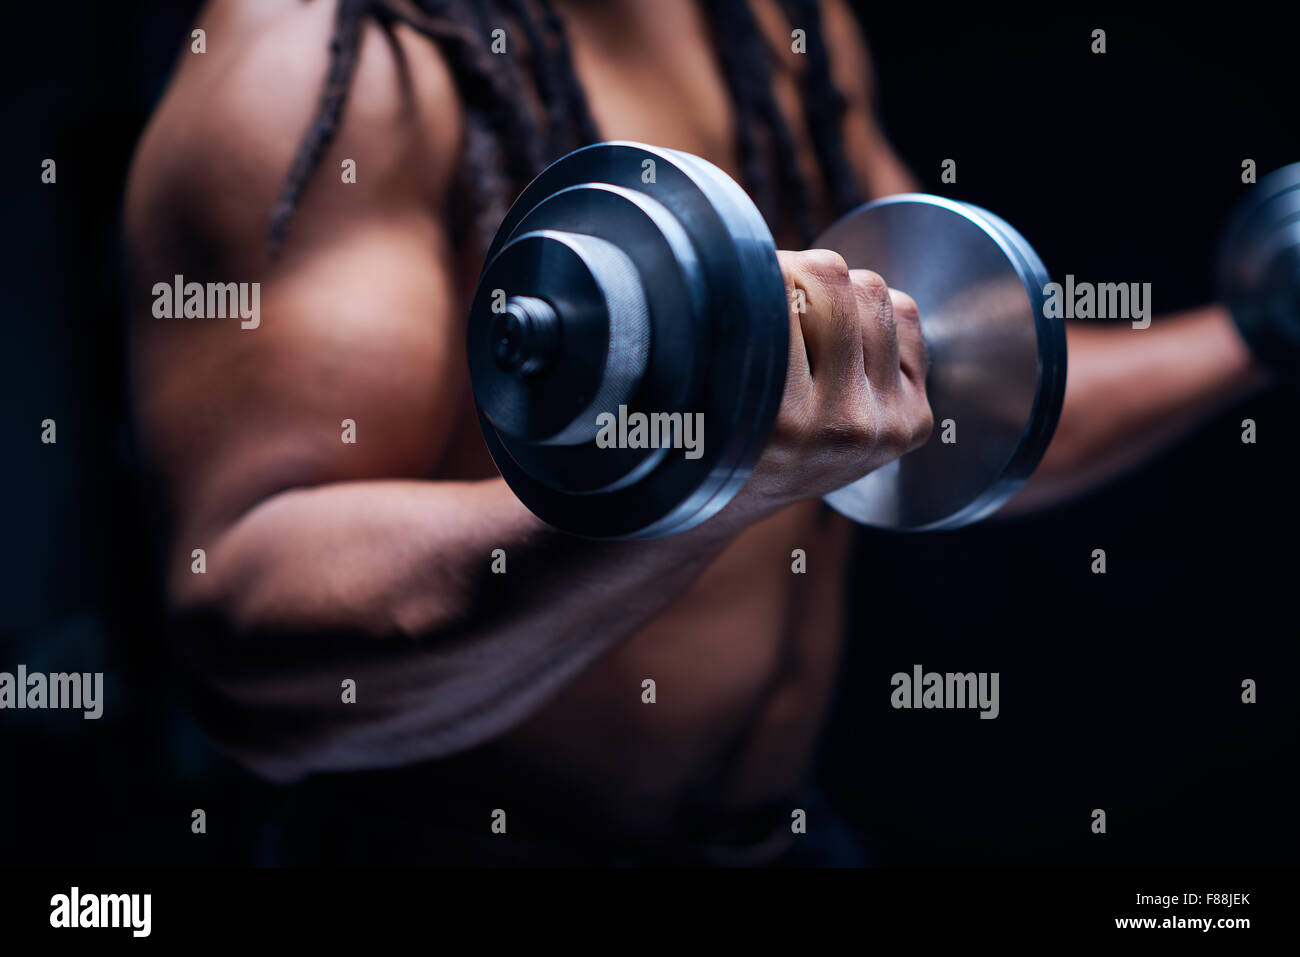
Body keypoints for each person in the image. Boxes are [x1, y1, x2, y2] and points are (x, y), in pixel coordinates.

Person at [123, 0, 1271, 864]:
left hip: (784, 835)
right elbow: (249, 644)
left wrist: (1261, 326)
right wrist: (708, 482)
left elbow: (961, 397)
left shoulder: (777, 27)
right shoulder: (334, 58)